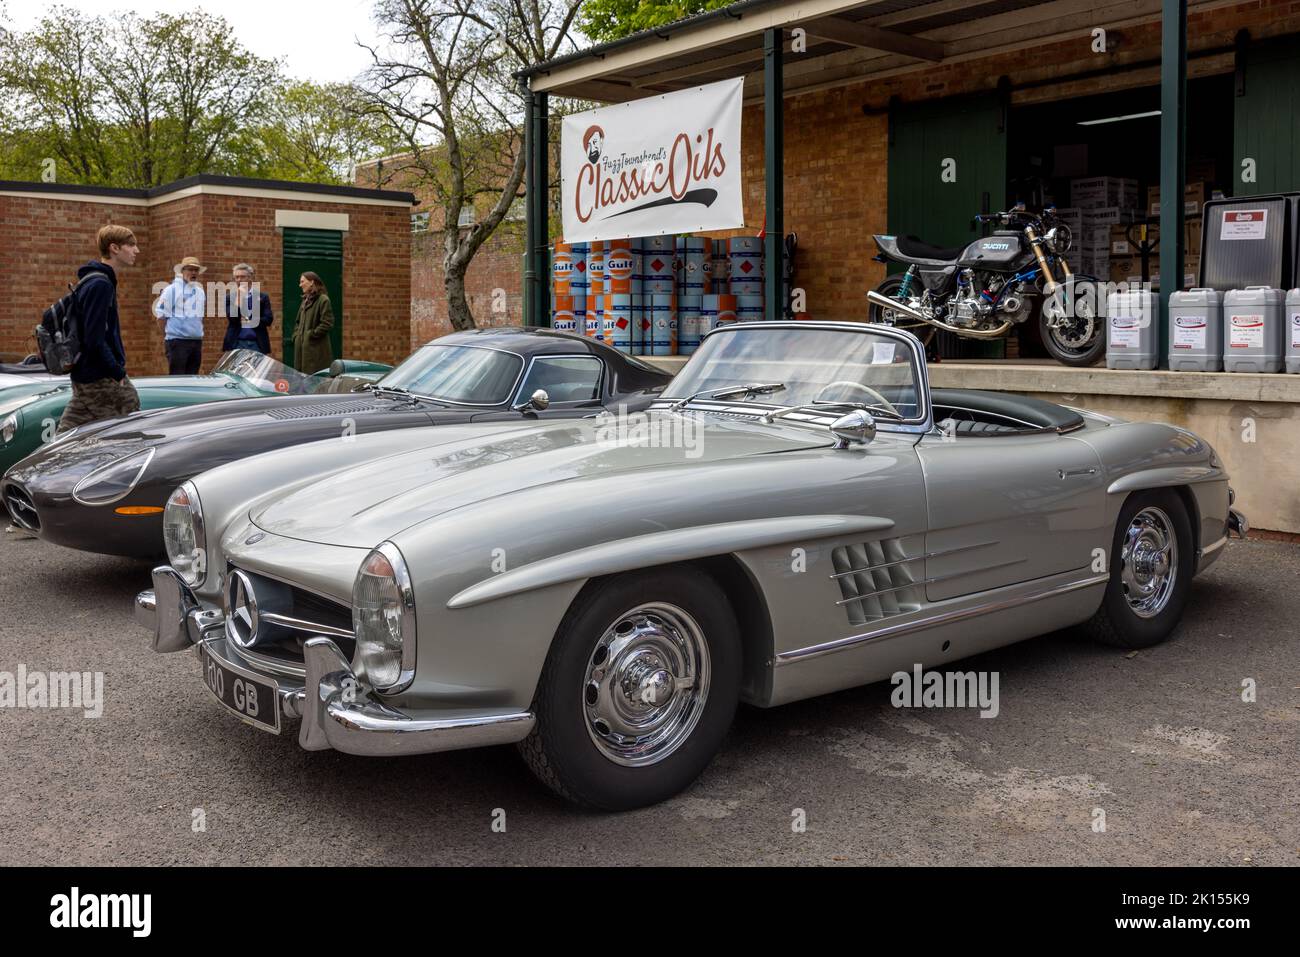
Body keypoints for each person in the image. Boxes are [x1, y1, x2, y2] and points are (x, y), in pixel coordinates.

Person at [58, 225, 141, 433]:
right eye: (131, 245)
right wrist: (117, 370)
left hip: (85, 374)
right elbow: (94, 337)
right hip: (99, 375)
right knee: (127, 423)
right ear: (114, 248)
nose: (136, 250)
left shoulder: (92, 280)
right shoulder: (100, 284)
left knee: (67, 434)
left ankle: (45, 464)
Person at [153, 256, 207, 374]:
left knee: (192, 379)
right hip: (177, 342)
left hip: (196, 341)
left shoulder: (200, 291)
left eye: (196, 270)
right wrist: (170, 335)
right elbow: (161, 317)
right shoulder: (171, 290)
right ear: (182, 271)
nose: (193, 273)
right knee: (177, 380)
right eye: (190, 269)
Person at [221, 263, 274, 355]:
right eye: (236, 277)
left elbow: (268, 319)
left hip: (257, 343)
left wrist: (250, 320)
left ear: (250, 278)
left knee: (256, 370)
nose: (239, 280)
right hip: (237, 343)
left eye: (242, 277)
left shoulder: (262, 297)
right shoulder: (230, 298)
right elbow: (233, 319)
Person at [291, 272, 335, 372]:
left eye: (302, 282)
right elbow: (298, 322)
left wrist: (310, 335)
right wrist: (296, 336)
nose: (300, 285)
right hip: (301, 352)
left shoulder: (323, 300)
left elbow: (327, 323)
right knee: (301, 380)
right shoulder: (305, 300)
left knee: (314, 381)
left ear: (311, 282)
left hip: (315, 352)